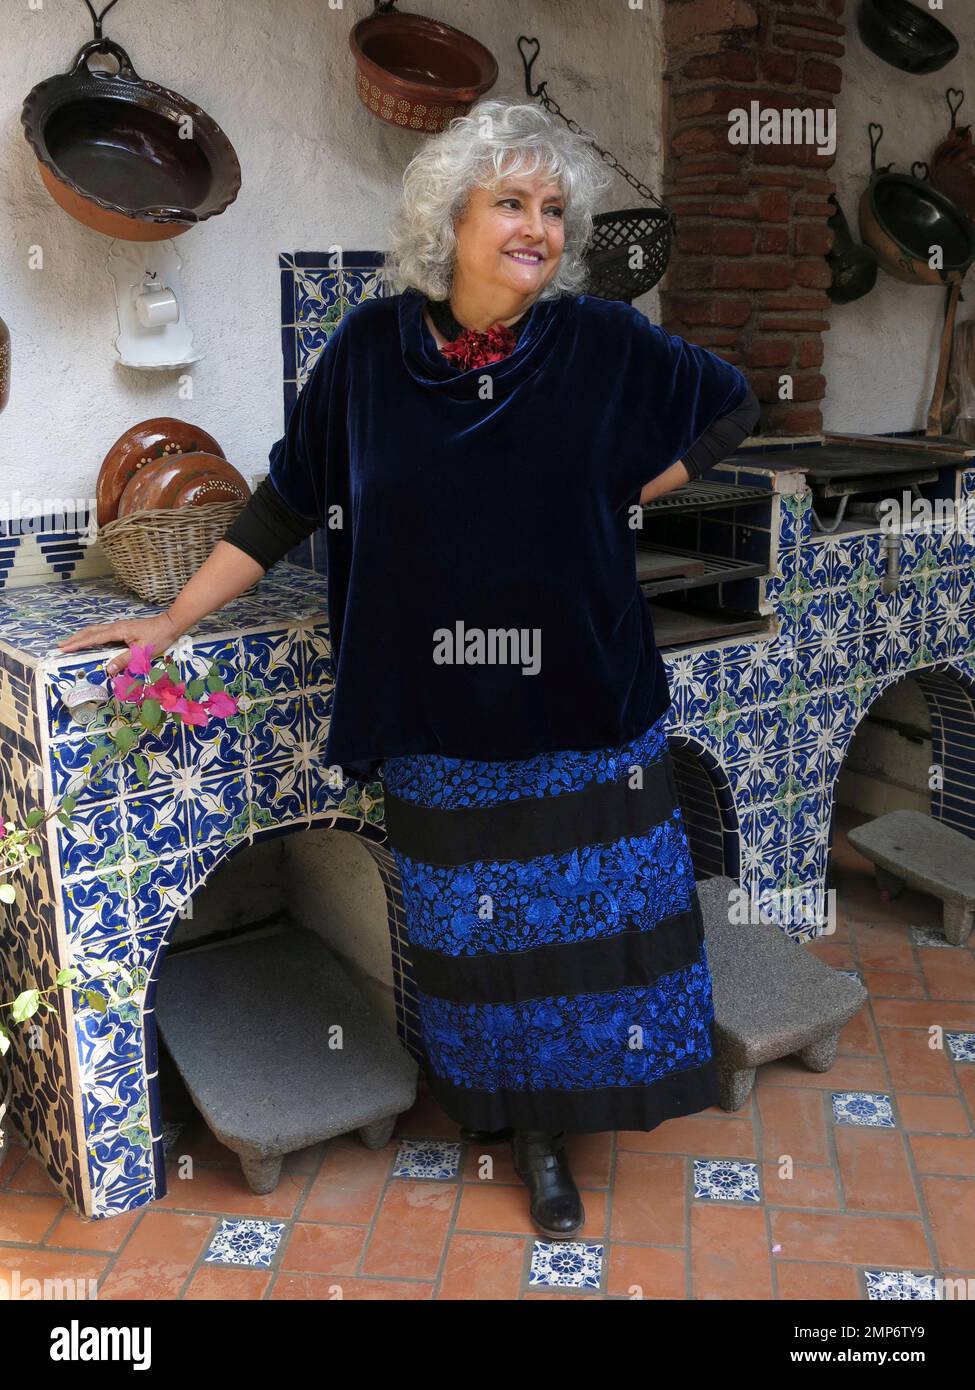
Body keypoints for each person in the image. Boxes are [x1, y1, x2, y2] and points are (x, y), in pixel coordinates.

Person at [58, 100, 760, 1241]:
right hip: (440, 712)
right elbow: (285, 504)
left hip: (582, 696)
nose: (535, 226)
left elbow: (731, 405)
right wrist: (163, 627)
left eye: (550, 208)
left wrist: (623, 488)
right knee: (484, 941)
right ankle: (502, 1110)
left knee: (587, 938)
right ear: (452, 218)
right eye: (509, 202)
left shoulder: (602, 343)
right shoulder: (373, 353)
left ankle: (548, 1140)